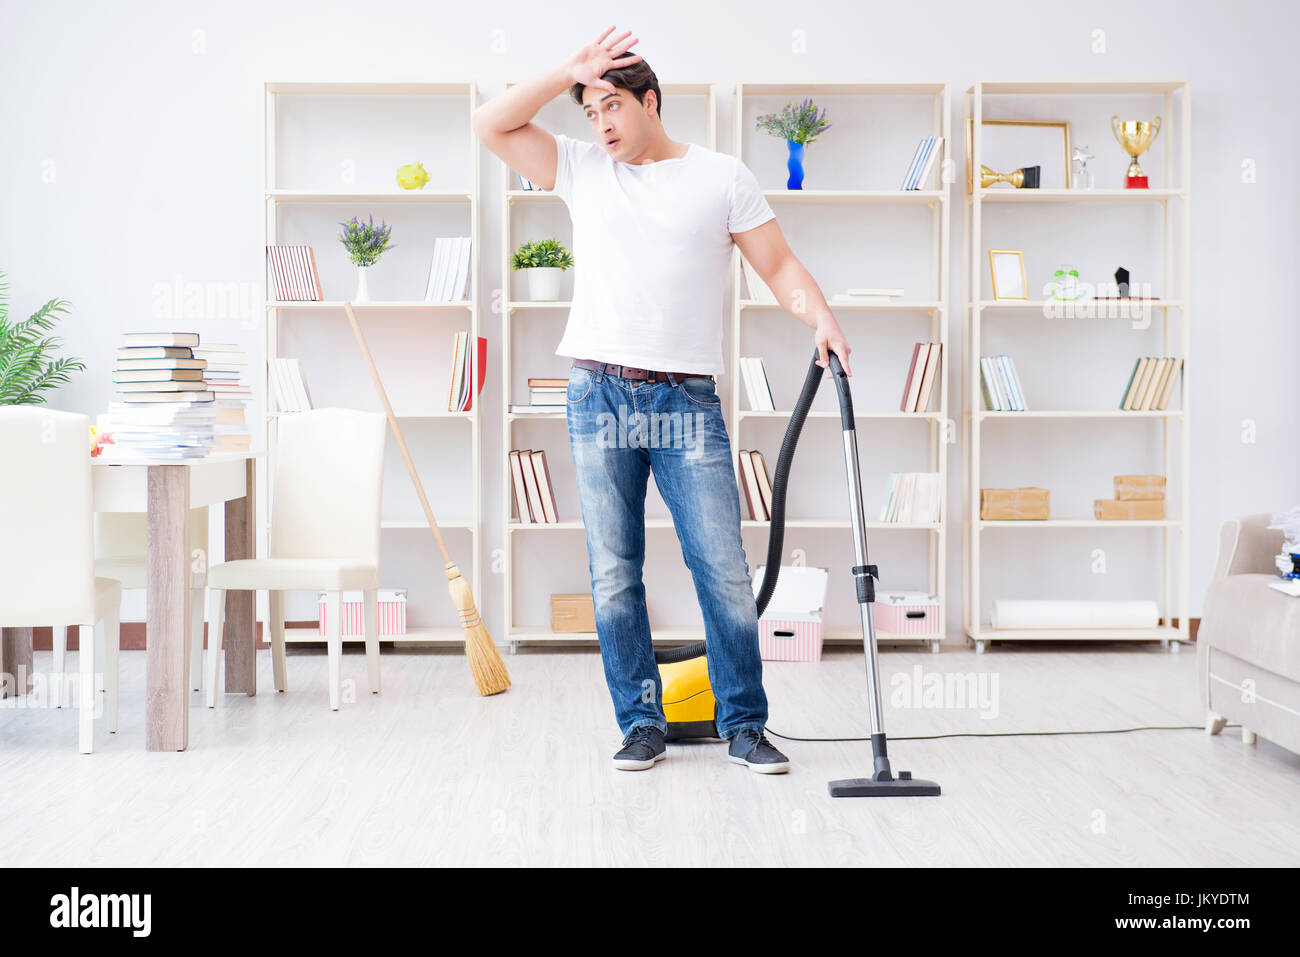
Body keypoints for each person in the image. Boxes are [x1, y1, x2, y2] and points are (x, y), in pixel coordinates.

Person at [473, 26, 852, 773]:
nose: (602, 123)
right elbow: (490, 123)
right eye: (591, 112)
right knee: (615, 573)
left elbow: (777, 265)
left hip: (685, 402)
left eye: (613, 104)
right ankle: (639, 722)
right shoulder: (581, 170)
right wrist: (568, 72)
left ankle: (743, 723)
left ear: (651, 100)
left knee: (723, 570)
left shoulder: (721, 177)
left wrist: (823, 318)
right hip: (596, 393)